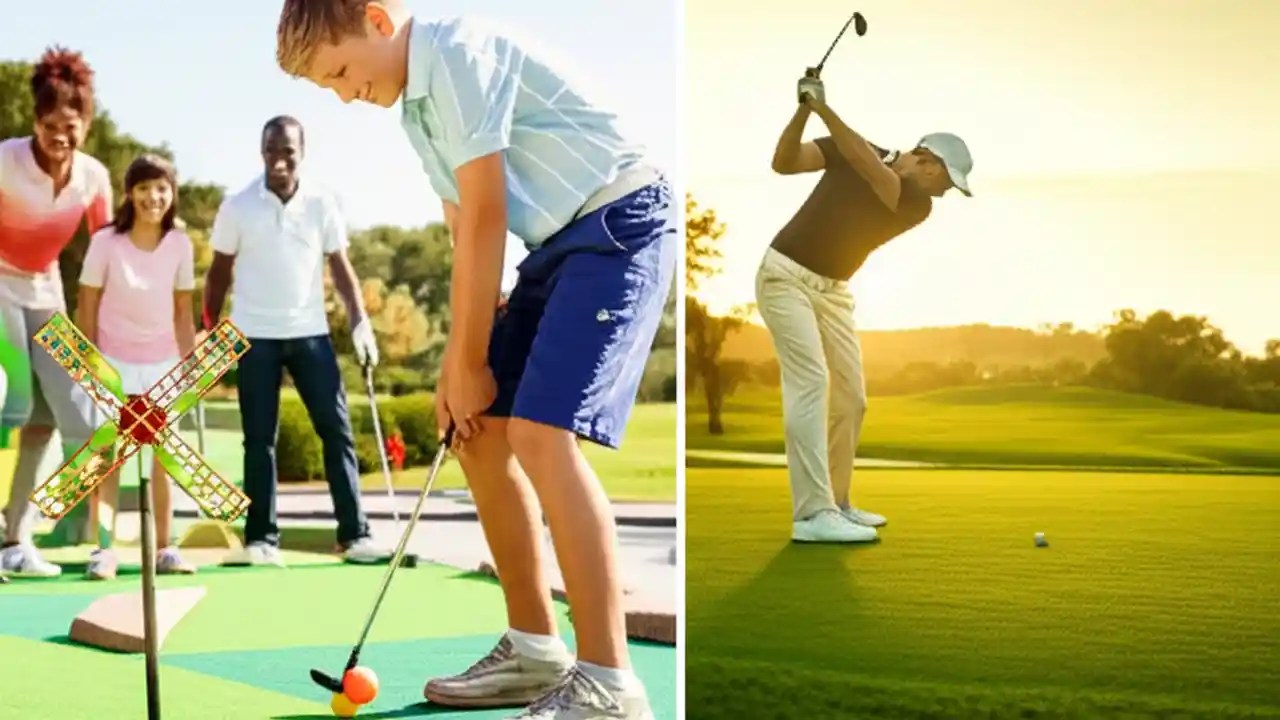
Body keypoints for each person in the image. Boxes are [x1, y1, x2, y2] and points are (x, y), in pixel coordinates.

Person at [274, 2, 676, 718]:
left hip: (620, 223)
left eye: (339, 71)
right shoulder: (416, 114)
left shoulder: (458, 54)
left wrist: (470, 362)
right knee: (481, 430)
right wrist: (459, 365)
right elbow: (464, 231)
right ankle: (534, 647)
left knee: (540, 434)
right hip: (558, 246)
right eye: (325, 88)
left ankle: (611, 684)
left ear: (375, 19)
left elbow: (489, 214)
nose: (342, 94)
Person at [759, 73, 974, 544]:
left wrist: (824, 109)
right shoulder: (852, 148)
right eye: (948, 181)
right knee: (812, 381)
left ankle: (836, 503)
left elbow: (876, 173)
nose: (945, 192)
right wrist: (802, 109)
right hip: (784, 277)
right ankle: (811, 515)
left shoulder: (917, 205)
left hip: (834, 292)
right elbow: (785, 162)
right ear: (930, 162)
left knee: (852, 397)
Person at [203, 115, 390, 568]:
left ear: (301, 152)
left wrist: (359, 319)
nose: (279, 160)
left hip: (310, 335)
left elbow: (340, 266)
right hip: (255, 336)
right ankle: (261, 539)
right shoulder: (238, 206)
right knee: (259, 440)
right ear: (261, 151)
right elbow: (219, 273)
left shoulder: (322, 202)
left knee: (336, 432)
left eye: (288, 151)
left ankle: (355, 535)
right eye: (271, 150)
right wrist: (210, 329)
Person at [0, 47, 112, 579]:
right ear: (34, 122)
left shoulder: (93, 177)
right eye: (49, 126)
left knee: (67, 418)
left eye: (71, 126)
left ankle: (15, 538)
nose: (60, 137)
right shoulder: (5, 160)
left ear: (86, 124)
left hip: (47, 293)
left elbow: (107, 251)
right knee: (15, 405)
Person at [75, 153, 200, 580]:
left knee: (165, 457)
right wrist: (90, 362)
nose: (154, 196)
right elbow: (88, 300)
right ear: (130, 193)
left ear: (173, 194)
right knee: (109, 457)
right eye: (145, 188)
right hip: (113, 361)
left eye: (162, 188)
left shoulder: (180, 243)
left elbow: (183, 310)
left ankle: (166, 549)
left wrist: (188, 367)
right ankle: (105, 551)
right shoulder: (106, 241)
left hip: (162, 362)